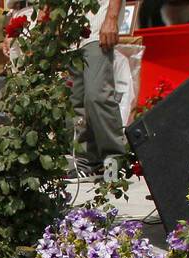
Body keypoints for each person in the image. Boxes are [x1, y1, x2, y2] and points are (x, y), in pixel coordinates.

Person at [69, 0, 127, 179]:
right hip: (71, 29)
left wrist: (111, 18)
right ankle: (85, 161)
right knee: (76, 100)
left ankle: (114, 160)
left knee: (97, 96)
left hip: (97, 25)